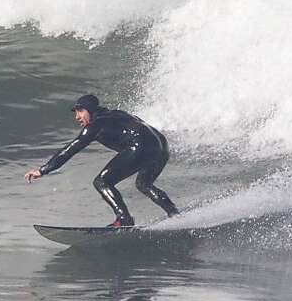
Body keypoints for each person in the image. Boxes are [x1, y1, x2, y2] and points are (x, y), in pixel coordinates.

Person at [25, 94, 179, 228]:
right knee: (143, 184)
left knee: (101, 182)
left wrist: (43, 170)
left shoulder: (94, 125)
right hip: (161, 145)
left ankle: (124, 219)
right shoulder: (118, 114)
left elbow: (70, 150)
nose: (77, 117)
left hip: (141, 145)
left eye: (80, 111)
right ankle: (174, 213)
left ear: (90, 109)